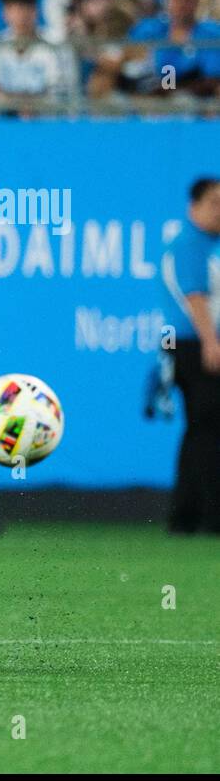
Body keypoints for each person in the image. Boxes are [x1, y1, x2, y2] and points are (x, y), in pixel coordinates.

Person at [160, 177, 220, 534]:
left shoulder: (205, 245)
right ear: (192, 207)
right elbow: (194, 297)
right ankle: (205, 516)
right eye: (214, 202)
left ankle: (187, 517)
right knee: (207, 428)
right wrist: (211, 342)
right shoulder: (190, 244)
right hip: (192, 345)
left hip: (193, 343)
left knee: (202, 428)